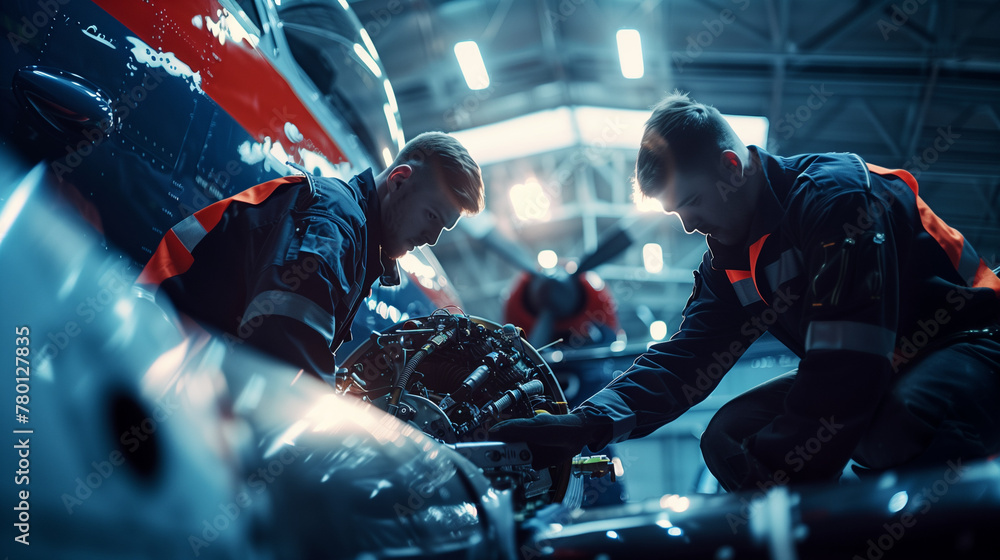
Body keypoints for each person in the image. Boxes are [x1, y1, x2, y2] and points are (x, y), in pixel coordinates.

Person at [490, 91, 1000, 491]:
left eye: (691, 202)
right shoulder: (729, 260)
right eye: (676, 213)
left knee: (895, 421)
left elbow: (849, 365)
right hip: (887, 361)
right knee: (729, 438)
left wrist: (780, 477)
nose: (689, 225)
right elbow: (684, 361)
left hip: (970, 341)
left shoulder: (836, 200)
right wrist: (585, 425)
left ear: (731, 169)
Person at [137, 131, 484, 379]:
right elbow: (287, 344)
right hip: (155, 353)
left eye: (443, 228)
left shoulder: (354, 233)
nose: (432, 239)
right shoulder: (334, 222)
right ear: (399, 180)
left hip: (173, 360)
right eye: (432, 216)